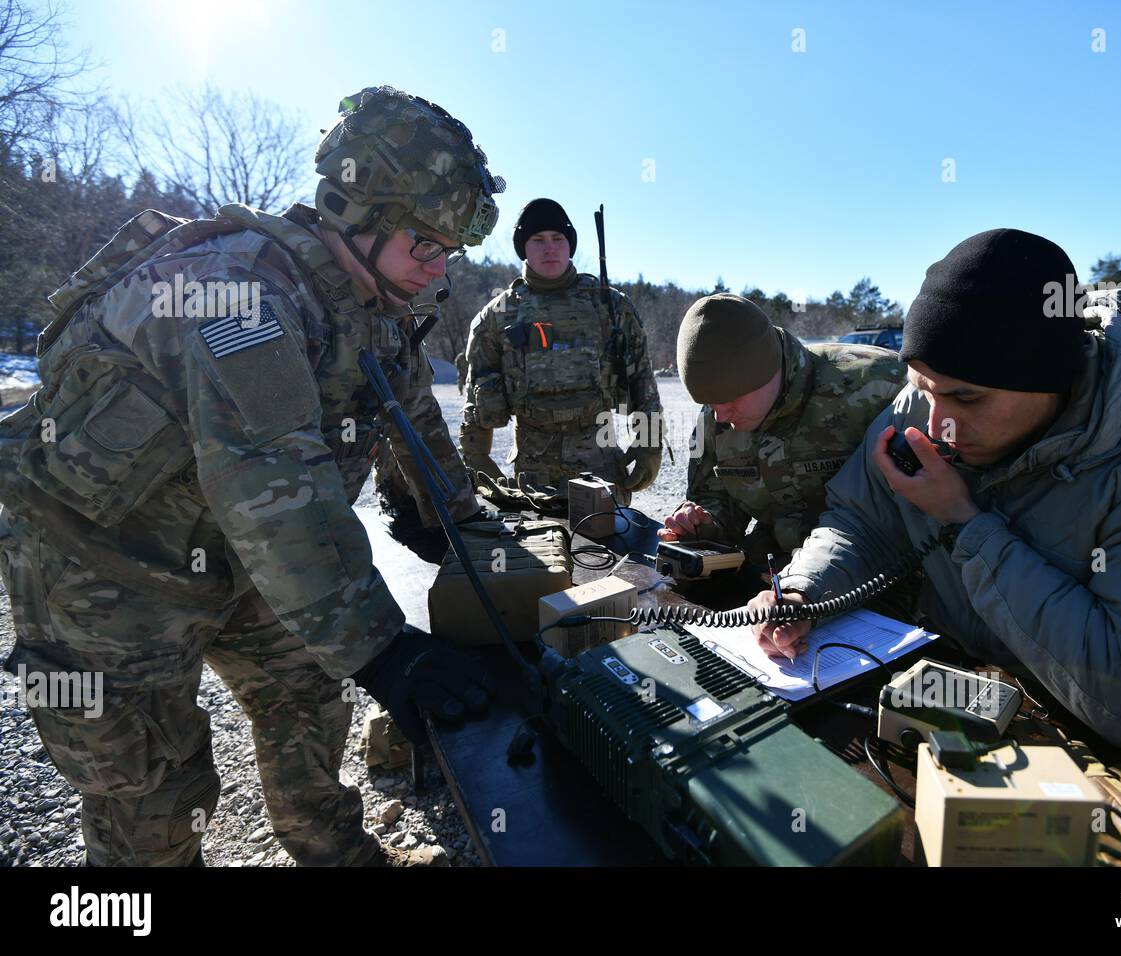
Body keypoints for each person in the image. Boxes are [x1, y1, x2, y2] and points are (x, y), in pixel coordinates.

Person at [0, 85, 504, 866]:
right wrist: (386, 649)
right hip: (103, 568)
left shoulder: (373, 303)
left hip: (237, 555)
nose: (438, 269)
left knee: (307, 695)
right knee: (150, 790)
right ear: (355, 210)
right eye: (425, 244)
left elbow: (416, 421)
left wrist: (459, 521)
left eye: (448, 251)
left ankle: (334, 854)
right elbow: (272, 481)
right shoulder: (235, 289)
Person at [749, 229, 1121, 769]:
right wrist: (805, 591)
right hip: (991, 676)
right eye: (922, 386)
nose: (938, 424)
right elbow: (862, 519)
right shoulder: (931, 400)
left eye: (968, 398)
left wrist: (965, 524)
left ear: (1053, 379)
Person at [658, 293, 905, 571]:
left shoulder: (880, 385)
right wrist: (701, 525)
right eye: (709, 403)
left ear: (766, 371)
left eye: (729, 400)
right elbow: (714, 500)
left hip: (876, 581)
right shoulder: (718, 415)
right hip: (775, 580)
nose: (719, 416)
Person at [459, 198, 662, 504]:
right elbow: (477, 399)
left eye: (558, 239)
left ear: (570, 245)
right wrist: (478, 462)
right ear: (522, 247)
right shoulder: (496, 317)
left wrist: (649, 446)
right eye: (538, 240)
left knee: (609, 550)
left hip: (603, 471)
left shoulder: (610, 306)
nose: (549, 248)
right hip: (531, 479)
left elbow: (643, 384)